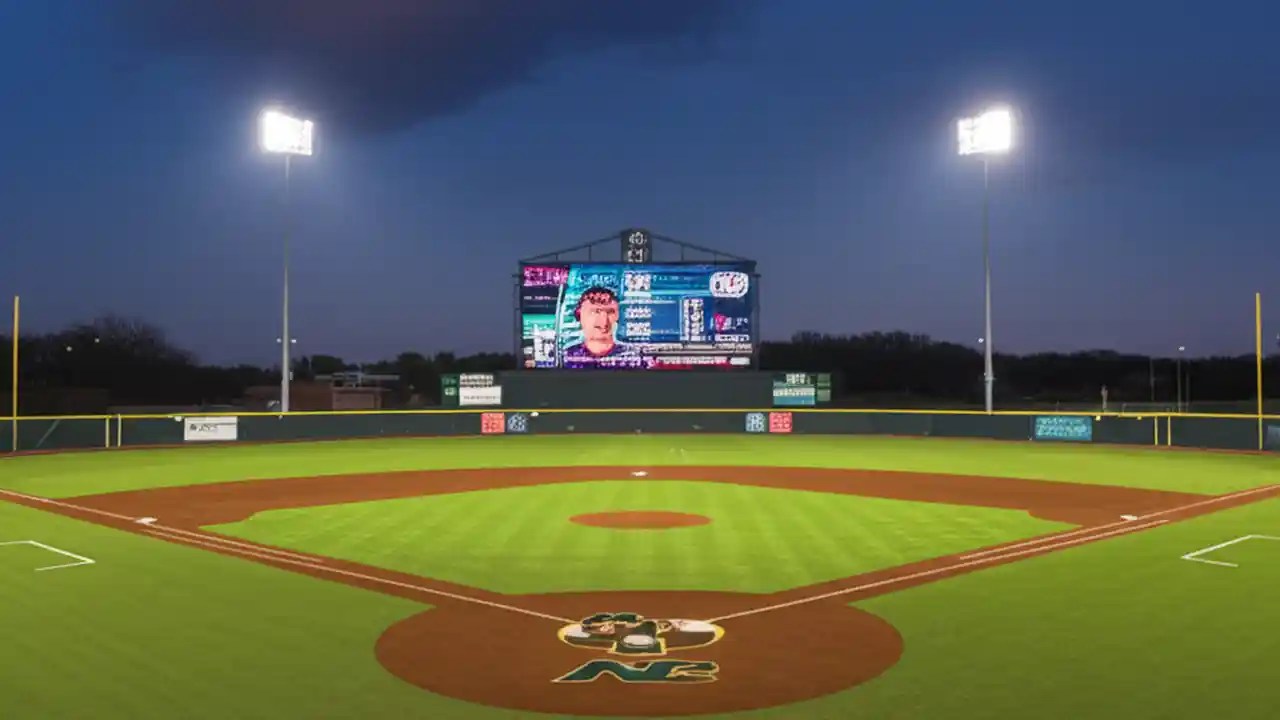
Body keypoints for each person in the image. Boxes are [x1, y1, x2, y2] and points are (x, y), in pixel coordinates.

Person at [562, 286, 638, 365]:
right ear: (579, 314)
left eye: (610, 312)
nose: (604, 320)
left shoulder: (634, 357)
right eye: (596, 311)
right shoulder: (564, 357)